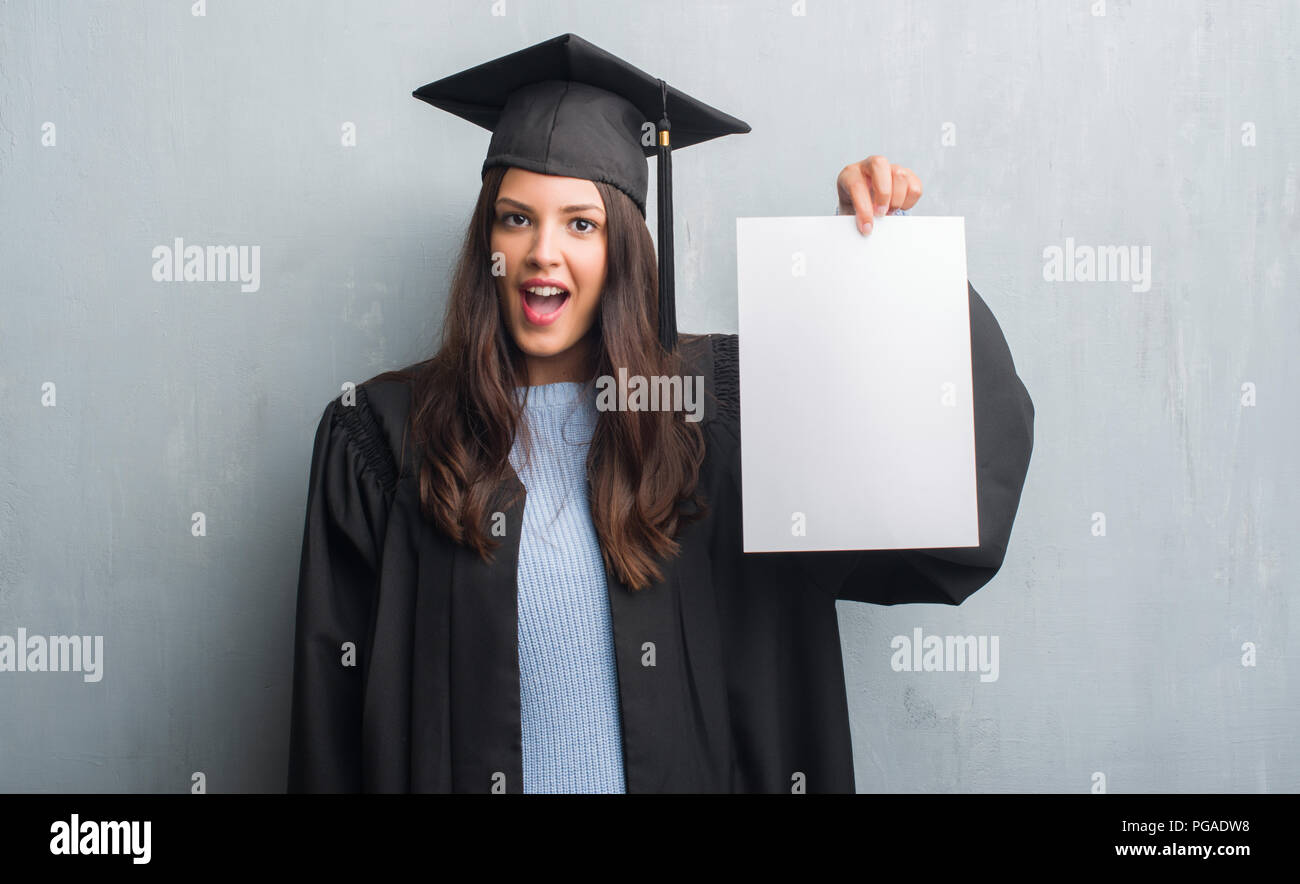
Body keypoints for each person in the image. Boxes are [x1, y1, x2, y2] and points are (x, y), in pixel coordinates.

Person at [286, 33, 1034, 793]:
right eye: (516, 219)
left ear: (627, 250)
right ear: (488, 241)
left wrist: (875, 261)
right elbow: (330, 739)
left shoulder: (721, 417)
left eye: (582, 223)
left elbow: (934, 516)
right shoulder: (386, 440)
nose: (544, 250)